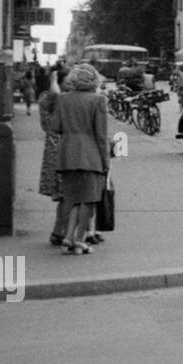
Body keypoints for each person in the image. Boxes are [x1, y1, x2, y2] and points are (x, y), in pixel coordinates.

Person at [51, 63, 110, 254]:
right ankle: (79, 240)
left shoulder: (62, 99)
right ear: (95, 80)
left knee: (72, 198)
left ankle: (68, 238)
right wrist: (106, 161)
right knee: (89, 199)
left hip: (67, 153)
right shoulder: (98, 100)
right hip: (90, 154)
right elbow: (101, 135)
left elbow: (56, 127)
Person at [37, 74, 72, 246]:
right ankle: (60, 232)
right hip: (66, 151)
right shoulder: (63, 103)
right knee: (69, 196)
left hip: (52, 152)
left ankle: (61, 231)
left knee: (64, 196)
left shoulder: (45, 102)